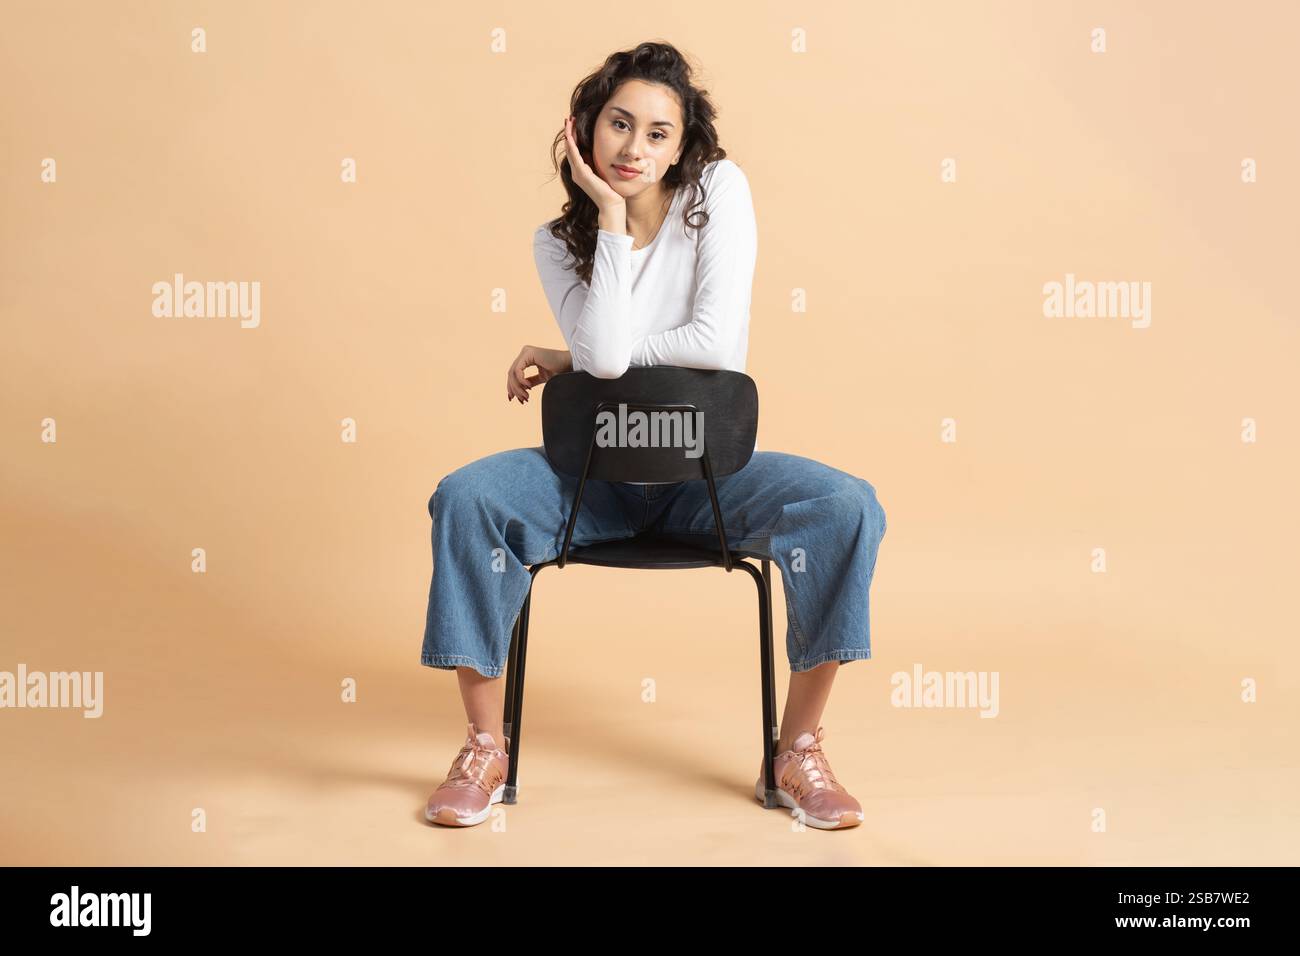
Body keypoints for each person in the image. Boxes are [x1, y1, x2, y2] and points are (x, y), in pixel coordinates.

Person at [423, 41, 886, 831]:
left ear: (683, 145)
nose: (634, 149)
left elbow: (709, 344)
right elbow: (606, 358)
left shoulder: (717, 193)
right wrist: (607, 222)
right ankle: (484, 745)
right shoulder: (556, 241)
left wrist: (572, 358)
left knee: (847, 505)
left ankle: (797, 746)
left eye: (658, 134)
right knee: (464, 498)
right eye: (619, 125)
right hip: (590, 481)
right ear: (584, 131)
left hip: (709, 474)